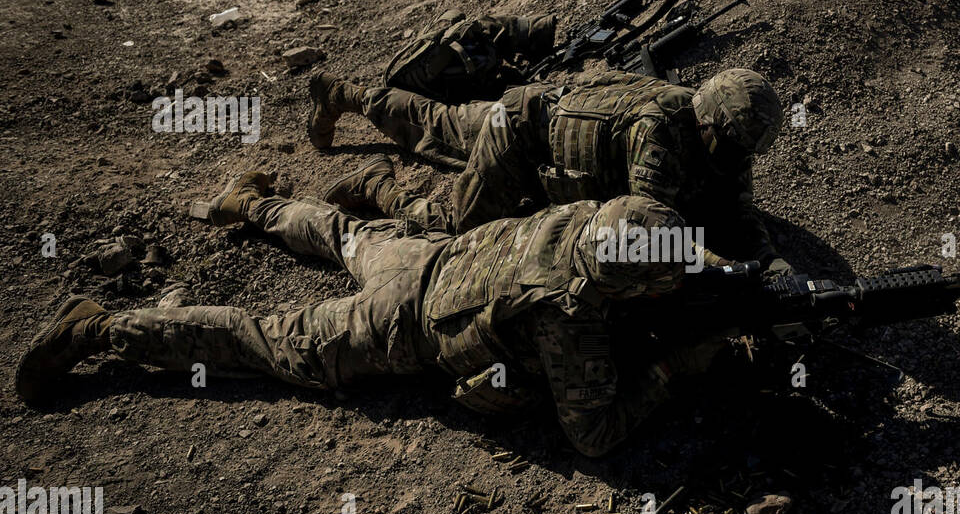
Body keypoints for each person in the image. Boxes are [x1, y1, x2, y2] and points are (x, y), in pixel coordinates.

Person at [14, 175, 726, 458]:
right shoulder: (569, 316)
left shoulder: (593, 220)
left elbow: (659, 243)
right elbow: (595, 437)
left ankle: (254, 203)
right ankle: (97, 329)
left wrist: (728, 273)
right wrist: (674, 367)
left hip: (426, 255)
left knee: (346, 234)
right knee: (266, 340)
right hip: (399, 324)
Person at [307, 64, 791, 272]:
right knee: (462, 230)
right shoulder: (660, 132)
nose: (737, 161)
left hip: (543, 118)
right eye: (728, 145)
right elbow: (654, 234)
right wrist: (731, 269)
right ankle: (378, 184)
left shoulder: (722, 136)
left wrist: (774, 262)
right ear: (707, 121)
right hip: (519, 131)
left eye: (744, 152)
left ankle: (345, 94)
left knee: (439, 123)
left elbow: (739, 210)